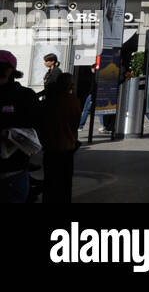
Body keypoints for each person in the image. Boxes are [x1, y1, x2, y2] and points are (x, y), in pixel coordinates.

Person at [0, 50, 40, 202]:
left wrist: (6, 134)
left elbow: (37, 130)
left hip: (12, 173)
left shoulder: (24, 96)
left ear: (10, 70)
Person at [40, 72, 82, 204]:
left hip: (50, 146)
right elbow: (76, 122)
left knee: (50, 180)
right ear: (69, 85)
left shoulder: (49, 101)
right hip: (67, 145)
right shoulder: (73, 100)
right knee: (65, 182)